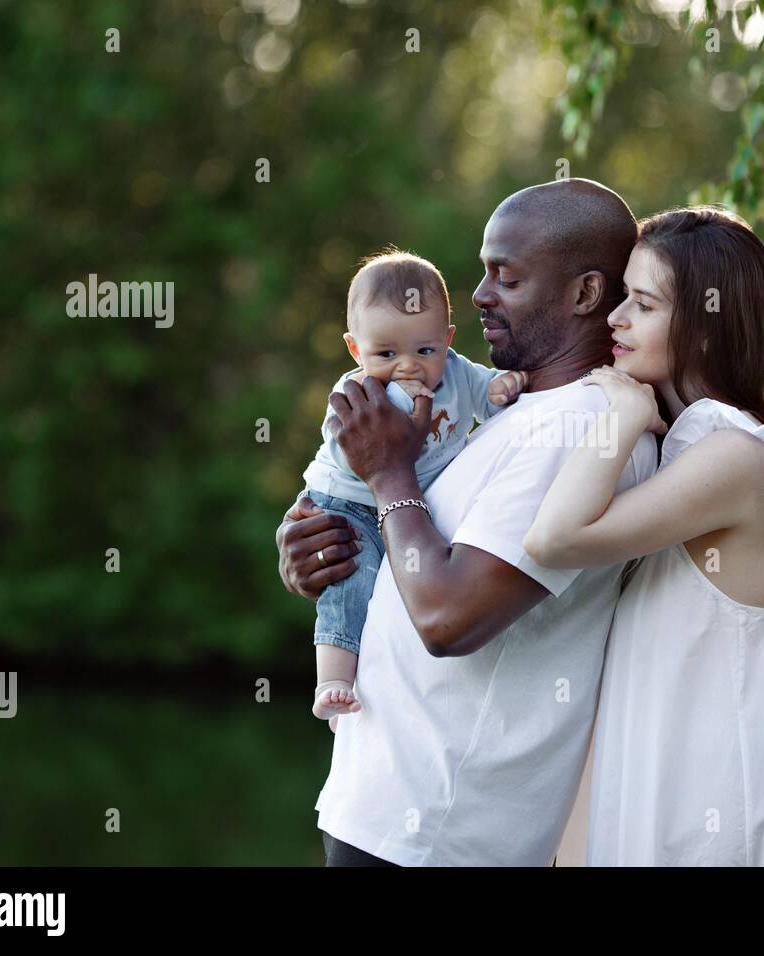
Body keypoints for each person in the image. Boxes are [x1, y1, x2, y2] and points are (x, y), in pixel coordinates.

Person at [275, 179, 658, 866]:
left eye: (505, 278)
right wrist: (329, 550)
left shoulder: (583, 430)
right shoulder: (512, 410)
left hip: (441, 830)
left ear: (585, 294)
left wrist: (388, 473)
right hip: (391, 808)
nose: (478, 295)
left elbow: (448, 618)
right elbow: (416, 545)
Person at [525, 206, 764, 865]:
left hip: (709, 810)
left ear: (704, 329)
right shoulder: (675, 447)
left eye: (642, 304)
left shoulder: (736, 455)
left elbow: (553, 538)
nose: (615, 319)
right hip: (651, 793)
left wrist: (624, 409)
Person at [296, 249, 526, 731]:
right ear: (356, 350)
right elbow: (351, 454)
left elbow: (490, 395)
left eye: (425, 351)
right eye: (385, 354)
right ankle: (333, 680)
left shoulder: (458, 372)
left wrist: (505, 388)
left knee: (392, 591)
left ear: (446, 341)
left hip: (403, 510)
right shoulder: (358, 394)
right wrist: (399, 417)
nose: (408, 366)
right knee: (350, 577)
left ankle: (370, 684)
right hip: (347, 503)